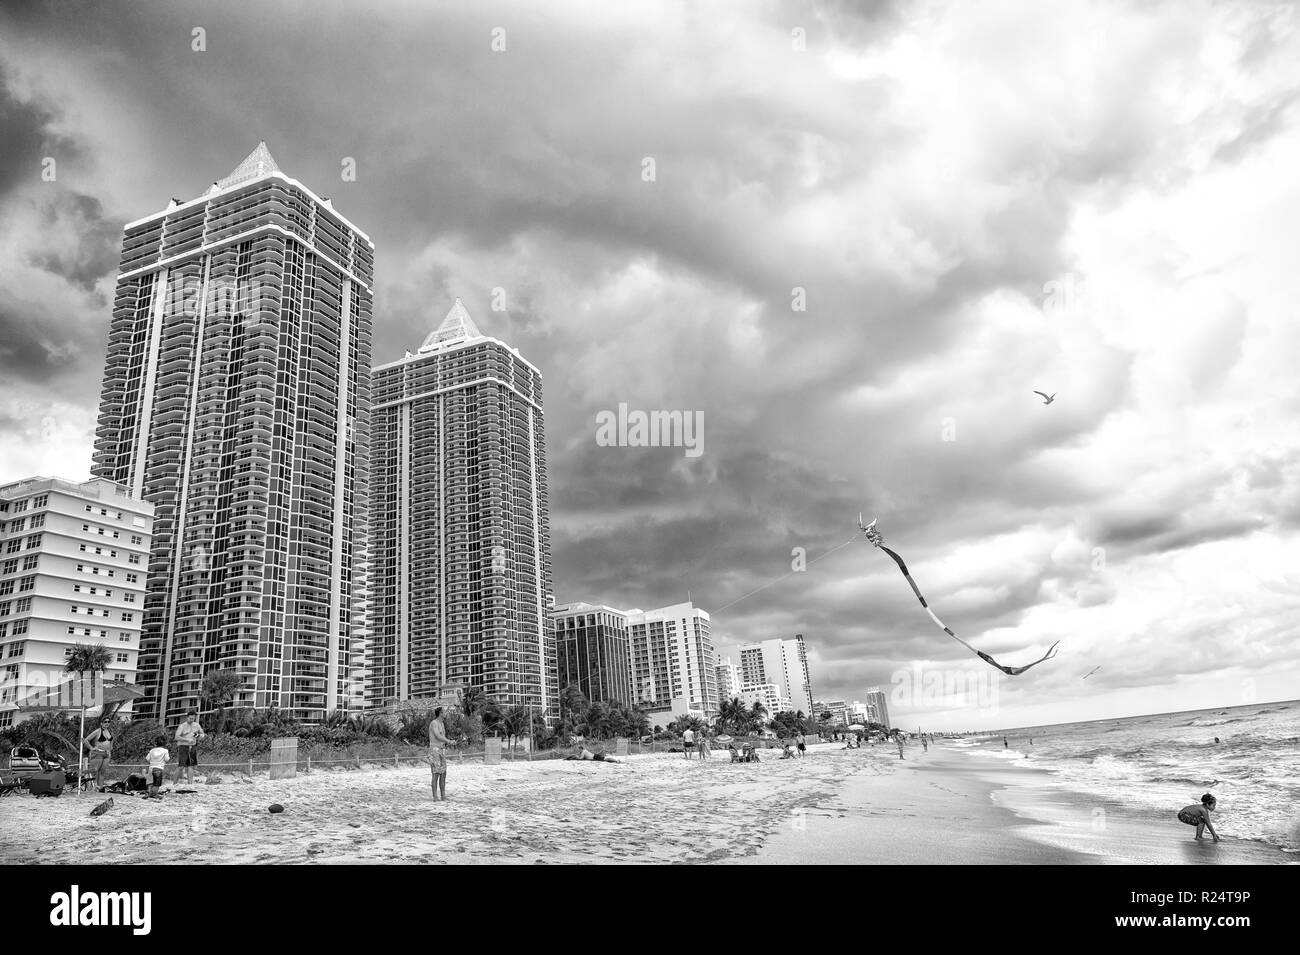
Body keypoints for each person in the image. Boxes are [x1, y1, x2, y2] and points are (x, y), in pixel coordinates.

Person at [175, 709, 205, 785]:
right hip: (183, 747)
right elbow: (176, 737)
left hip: (193, 746)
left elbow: (202, 735)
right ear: (187, 717)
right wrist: (186, 739)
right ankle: (174, 784)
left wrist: (197, 735)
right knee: (181, 766)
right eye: (190, 718)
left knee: (191, 766)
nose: (192, 720)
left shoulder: (197, 725)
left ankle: (190, 784)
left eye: (193, 719)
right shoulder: (182, 726)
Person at [82, 717, 114, 788]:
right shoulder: (97, 731)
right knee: (95, 770)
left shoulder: (108, 731)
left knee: (102, 772)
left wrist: (110, 748)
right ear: (101, 723)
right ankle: (81, 773)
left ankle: (100, 788)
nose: (107, 723)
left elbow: (111, 740)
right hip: (98, 753)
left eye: (108, 722)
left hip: (107, 754)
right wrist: (92, 748)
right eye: (105, 722)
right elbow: (86, 740)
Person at [428, 706, 449, 801]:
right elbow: (437, 735)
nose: (446, 713)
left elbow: (442, 737)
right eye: (444, 712)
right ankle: (435, 797)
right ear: (440, 713)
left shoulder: (442, 723)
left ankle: (443, 796)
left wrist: (448, 742)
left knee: (443, 773)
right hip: (434, 750)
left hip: (442, 750)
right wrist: (449, 741)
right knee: (435, 774)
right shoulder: (434, 723)